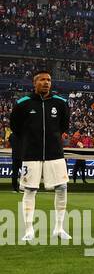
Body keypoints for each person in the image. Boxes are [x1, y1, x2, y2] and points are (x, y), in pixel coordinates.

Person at [9, 68, 72, 243]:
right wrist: (31, 140)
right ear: (34, 82)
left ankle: (59, 228)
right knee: (30, 190)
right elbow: (15, 127)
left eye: (49, 80)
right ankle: (28, 230)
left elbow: (63, 126)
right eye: (42, 80)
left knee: (62, 188)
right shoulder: (23, 103)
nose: (46, 83)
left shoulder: (60, 103)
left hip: (55, 154)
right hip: (31, 154)